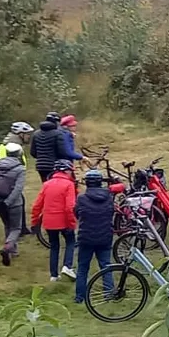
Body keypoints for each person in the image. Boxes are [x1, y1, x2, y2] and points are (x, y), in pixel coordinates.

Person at [73, 169, 119, 304]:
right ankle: (108, 294)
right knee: (106, 266)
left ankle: (80, 297)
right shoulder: (109, 198)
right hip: (105, 236)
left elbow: (77, 213)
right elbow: (111, 213)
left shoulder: (81, 198)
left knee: (82, 267)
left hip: (86, 237)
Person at [29, 164, 79, 283]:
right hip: (64, 220)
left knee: (54, 246)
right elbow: (69, 206)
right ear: (66, 171)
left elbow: (37, 205)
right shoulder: (69, 184)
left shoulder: (46, 184)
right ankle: (67, 266)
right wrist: (72, 222)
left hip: (49, 221)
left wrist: (34, 222)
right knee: (71, 242)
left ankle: (53, 275)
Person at [0, 143, 29, 267]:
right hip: (14, 203)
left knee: (7, 225)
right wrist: (9, 202)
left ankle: (13, 251)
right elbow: (18, 189)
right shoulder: (20, 169)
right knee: (16, 228)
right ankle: (8, 247)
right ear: (19, 154)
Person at [31, 113, 65, 182]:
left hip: (40, 166)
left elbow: (33, 152)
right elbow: (62, 152)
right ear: (56, 122)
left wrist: (41, 158)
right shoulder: (58, 134)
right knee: (54, 186)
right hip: (54, 165)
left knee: (46, 185)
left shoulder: (36, 133)